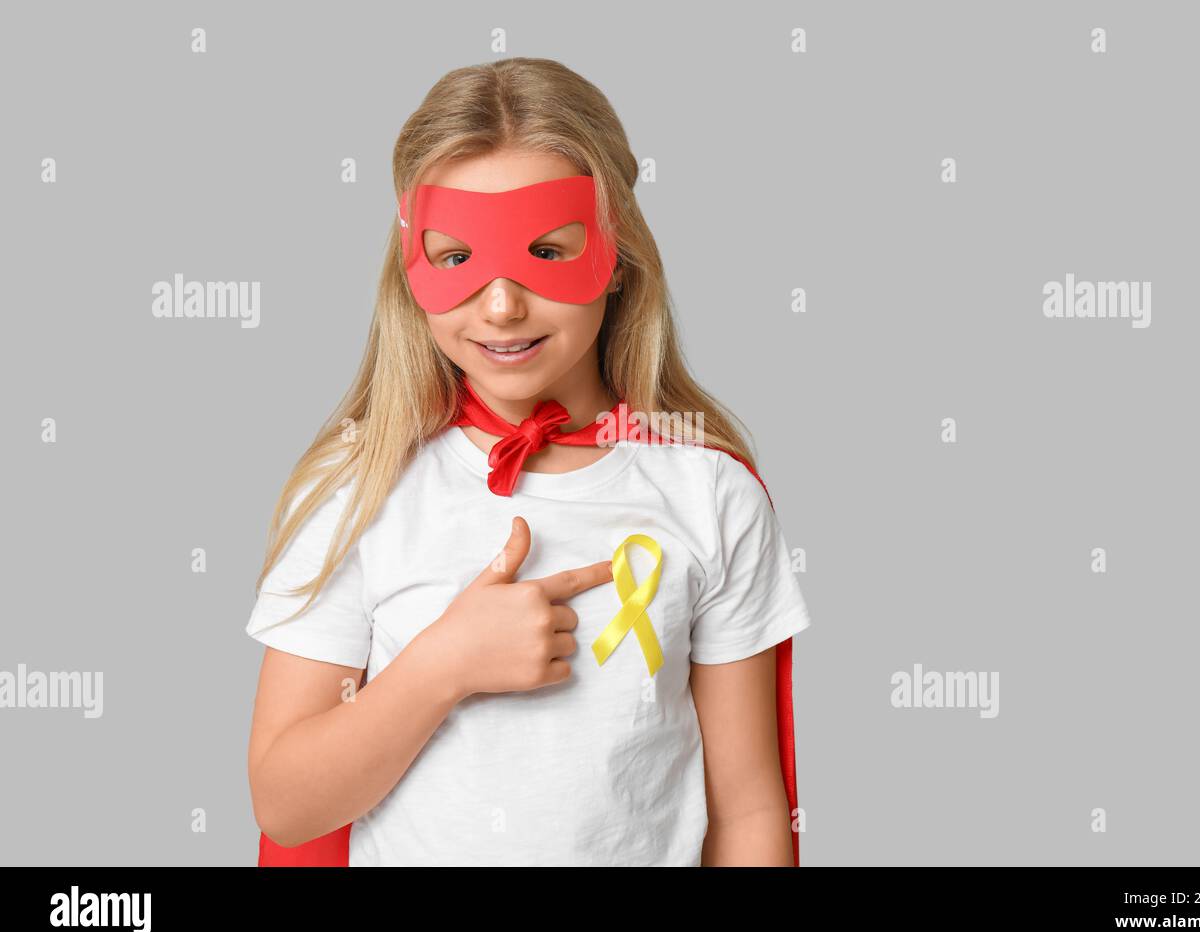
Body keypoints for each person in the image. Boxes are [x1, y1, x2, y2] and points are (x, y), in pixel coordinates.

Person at [244, 56, 812, 866]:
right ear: (412, 272)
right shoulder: (359, 490)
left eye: (547, 251)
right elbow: (287, 805)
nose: (503, 304)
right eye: (457, 258)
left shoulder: (710, 495)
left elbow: (749, 807)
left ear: (616, 258)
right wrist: (443, 666)